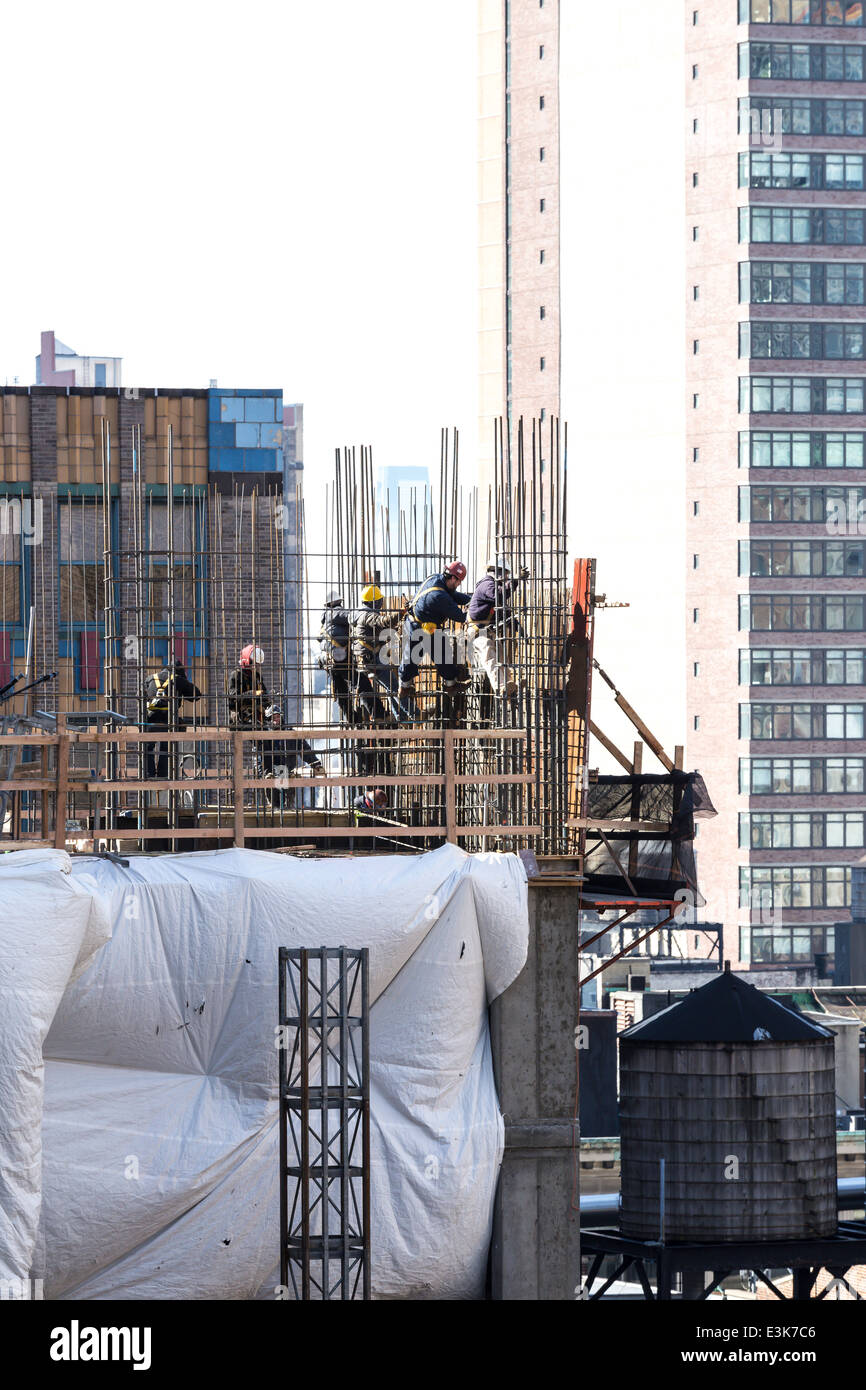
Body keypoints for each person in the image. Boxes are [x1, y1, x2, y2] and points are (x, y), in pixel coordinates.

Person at [398, 561, 472, 697]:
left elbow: (454, 595)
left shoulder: (437, 579)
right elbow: (461, 617)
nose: (459, 584)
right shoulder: (439, 596)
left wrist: (472, 600)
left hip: (422, 623)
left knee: (443, 655)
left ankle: (451, 685)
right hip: (417, 626)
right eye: (459, 581)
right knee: (411, 659)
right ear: (453, 578)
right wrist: (476, 610)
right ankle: (405, 688)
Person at [466, 561, 530, 699]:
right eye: (506, 575)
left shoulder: (493, 589)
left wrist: (518, 627)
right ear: (498, 572)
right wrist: (516, 579)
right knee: (489, 653)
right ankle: (501, 687)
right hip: (478, 632)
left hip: (487, 632)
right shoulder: (486, 585)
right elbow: (500, 595)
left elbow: (504, 613)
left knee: (501, 655)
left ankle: (509, 685)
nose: (507, 578)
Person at [350, 585, 410, 724]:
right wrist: (401, 613)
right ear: (375, 602)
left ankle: (402, 718)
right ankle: (415, 714)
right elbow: (383, 622)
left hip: (365, 660)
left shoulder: (358, 614)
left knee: (390, 688)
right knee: (395, 687)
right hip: (372, 660)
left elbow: (378, 631)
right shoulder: (368, 615)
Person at [143, 659, 202, 777]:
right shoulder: (177, 679)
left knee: (148, 747)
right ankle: (163, 775)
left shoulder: (150, 678)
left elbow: (140, 696)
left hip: (150, 719)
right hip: (168, 720)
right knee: (167, 747)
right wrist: (183, 683)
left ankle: (148, 773)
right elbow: (196, 695)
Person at [259, 705, 323, 809]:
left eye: (278, 717)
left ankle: (286, 810)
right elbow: (258, 757)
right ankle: (275, 809)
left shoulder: (290, 733)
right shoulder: (264, 736)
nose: (276, 720)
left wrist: (315, 764)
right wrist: (262, 773)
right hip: (271, 772)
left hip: (287, 771)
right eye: (273, 718)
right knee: (275, 804)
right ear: (268, 720)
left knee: (288, 803)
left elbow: (304, 749)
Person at [317, 591, 357, 725]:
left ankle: (353, 720)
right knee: (360, 684)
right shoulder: (335, 614)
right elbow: (351, 616)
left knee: (342, 696)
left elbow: (321, 641)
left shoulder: (324, 622)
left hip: (331, 664)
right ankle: (370, 715)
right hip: (341, 660)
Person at [227, 644, 269, 729]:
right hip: (240, 717)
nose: (256, 666)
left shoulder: (257, 677)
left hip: (256, 717)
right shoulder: (236, 675)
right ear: (246, 661)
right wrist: (253, 693)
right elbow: (234, 697)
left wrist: (266, 695)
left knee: (266, 735)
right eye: (254, 663)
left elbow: (263, 693)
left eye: (257, 664)